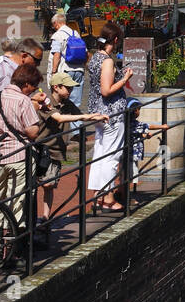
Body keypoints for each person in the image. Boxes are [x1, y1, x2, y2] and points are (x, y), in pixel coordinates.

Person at [0, 61, 46, 254]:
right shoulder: (24, 101)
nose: (33, 90)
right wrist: (37, 111)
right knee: (15, 207)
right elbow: (32, 132)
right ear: (26, 84)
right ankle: (7, 255)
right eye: (33, 86)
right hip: (18, 158)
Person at [37, 73, 105, 228]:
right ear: (56, 87)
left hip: (56, 150)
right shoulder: (46, 102)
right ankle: (30, 220)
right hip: (40, 148)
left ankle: (46, 217)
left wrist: (95, 117)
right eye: (67, 87)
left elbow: (79, 115)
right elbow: (59, 118)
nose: (71, 90)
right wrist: (86, 117)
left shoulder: (67, 103)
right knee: (35, 186)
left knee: (49, 185)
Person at [85, 21, 134, 213]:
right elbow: (106, 90)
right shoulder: (107, 61)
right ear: (115, 39)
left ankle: (98, 196)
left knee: (100, 154)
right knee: (111, 156)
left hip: (98, 112)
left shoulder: (95, 57)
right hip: (111, 114)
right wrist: (125, 79)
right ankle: (108, 198)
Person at [48, 12, 86, 108]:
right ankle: (76, 116)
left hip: (65, 70)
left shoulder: (58, 35)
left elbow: (57, 54)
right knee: (76, 102)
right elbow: (85, 52)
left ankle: (64, 116)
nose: (53, 27)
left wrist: (53, 72)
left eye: (53, 25)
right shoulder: (75, 33)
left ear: (56, 23)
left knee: (63, 100)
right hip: (79, 70)